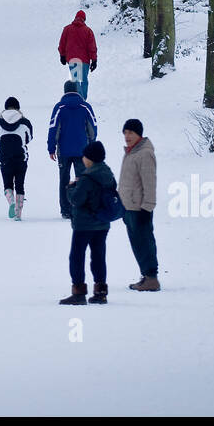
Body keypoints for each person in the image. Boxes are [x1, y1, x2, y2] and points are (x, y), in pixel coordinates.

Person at [59, 140, 117, 305]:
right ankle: (101, 292)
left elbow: (77, 200)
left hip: (84, 224)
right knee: (98, 257)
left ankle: (78, 292)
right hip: (102, 223)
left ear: (89, 158)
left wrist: (71, 188)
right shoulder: (108, 174)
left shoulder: (87, 177)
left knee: (77, 256)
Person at [118, 119, 161, 291]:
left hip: (140, 208)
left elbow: (149, 182)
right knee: (137, 243)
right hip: (129, 207)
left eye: (131, 133)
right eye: (125, 133)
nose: (127, 136)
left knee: (144, 242)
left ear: (139, 134)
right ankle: (146, 276)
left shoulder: (145, 154)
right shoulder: (131, 152)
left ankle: (151, 277)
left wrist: (147, 207)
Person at [47, 79, 98, 219]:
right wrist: (91, 143)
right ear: (77, 91)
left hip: (63, 151)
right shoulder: (85, 106)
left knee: (64, 179)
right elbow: (92, 127)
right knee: (82, 179)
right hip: (83, 150)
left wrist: (51, 147)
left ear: (64, 91)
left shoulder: (59, 107)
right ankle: (81, 208)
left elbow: (53, 129)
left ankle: (65, 210)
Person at [0, 96, 34, 220]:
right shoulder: (25, 122)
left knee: (8, 185)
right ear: (18, 108)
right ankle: (18, 215)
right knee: (20, 185)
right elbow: (29, 138)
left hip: (4, 158)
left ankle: (11, 203)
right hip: (21, 158)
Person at [57, 10, 97, 98]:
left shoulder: (67, 29)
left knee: (76, 80)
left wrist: (62, 55)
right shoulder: (88, 31)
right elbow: (92, 47)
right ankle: (83, 98)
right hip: (85, 60)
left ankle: (79, 97)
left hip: (73, 59)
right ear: (84, 19)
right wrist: (94, 60)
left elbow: (62, 43)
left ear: (75, 18)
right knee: (84, 80)